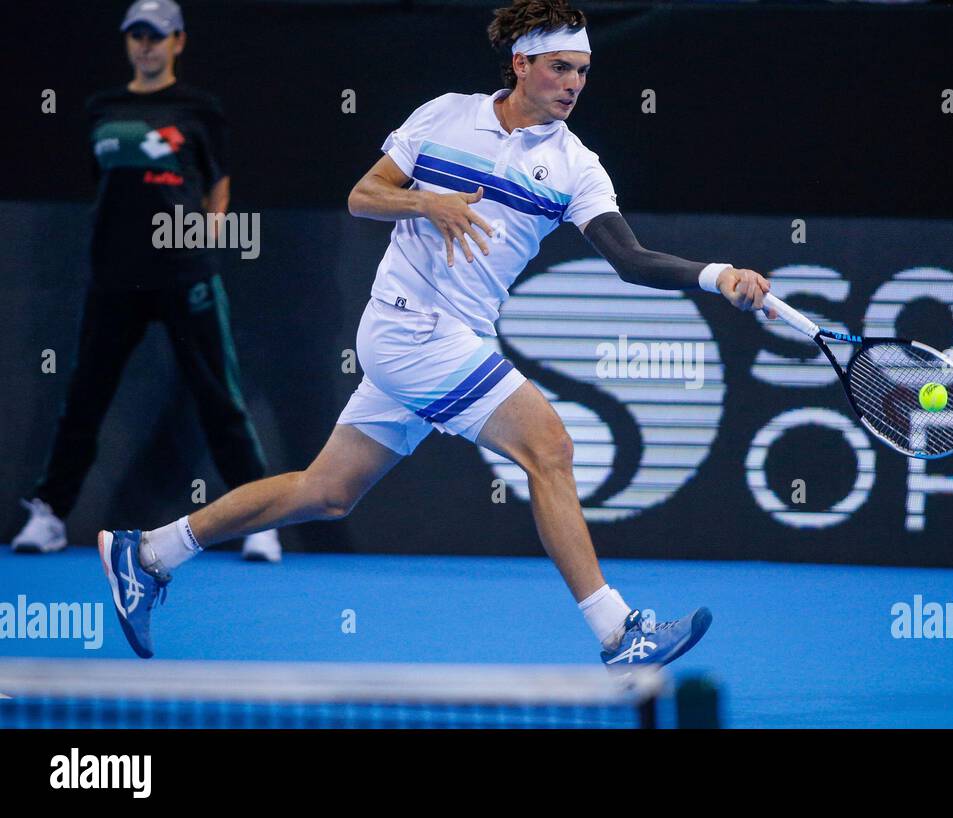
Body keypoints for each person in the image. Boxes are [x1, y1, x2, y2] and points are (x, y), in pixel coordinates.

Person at [98, 0, 777, 667]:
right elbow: (363, 195)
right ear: (522, 63)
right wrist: (427, 200)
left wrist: (718, 275)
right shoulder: (445, 114)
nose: (573, 84)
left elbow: (631, 259)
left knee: (328, 492)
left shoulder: (577, 166)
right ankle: (616, 633)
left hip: (450, 338)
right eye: (559, 68)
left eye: (582, 72)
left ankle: (151, 552)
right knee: (551, 448)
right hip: (408, 326)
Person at [16, 0, 281, 562]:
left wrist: (206, 237)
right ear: (127, 42)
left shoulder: (200, 109)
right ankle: (50, 515)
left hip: (187, 272)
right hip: (115, 277)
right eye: (136, 35)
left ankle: (259, 518)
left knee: (219, 400)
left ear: (178, 42)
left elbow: (219, 185)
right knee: (86, 395)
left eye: (156, 36)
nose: (146, 45)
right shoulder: (100, 109)